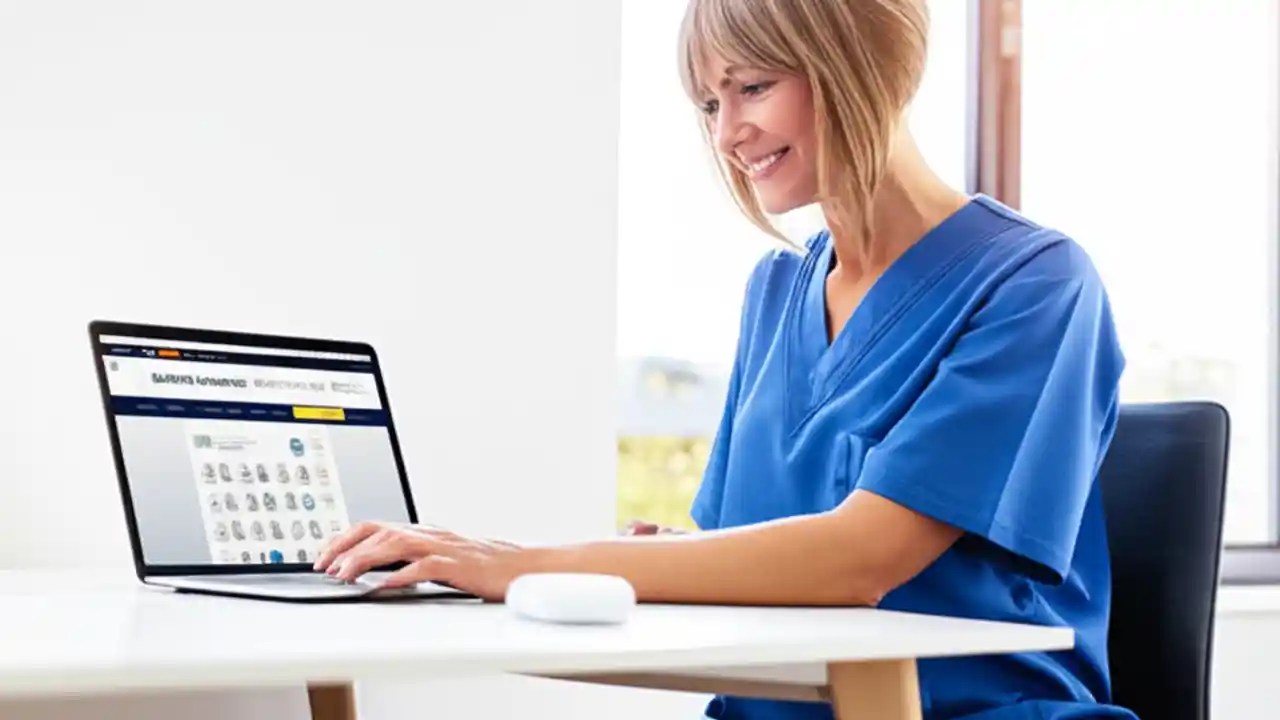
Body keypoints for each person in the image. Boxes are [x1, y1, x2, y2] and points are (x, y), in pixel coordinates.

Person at [315, 1, 1133, 718]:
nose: (725, 133)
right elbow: (749, 539)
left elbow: (862, 559)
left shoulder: (1035, 284)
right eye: (709, 102)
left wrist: (513, 564)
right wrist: (666, 551)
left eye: (752, 87)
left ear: (861, 62)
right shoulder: (776, 291)